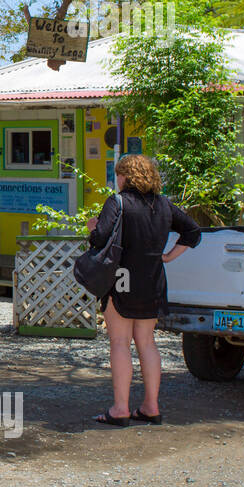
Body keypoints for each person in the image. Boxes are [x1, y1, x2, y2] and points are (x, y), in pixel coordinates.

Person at [88, 154, 201, 426]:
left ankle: (120, 409)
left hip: (122, 279)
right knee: (147, 342)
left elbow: (100, 237)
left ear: (126, 176)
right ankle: (151, 406)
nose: (117, 179)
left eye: (119, 174)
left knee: (119, 343)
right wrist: (169, 256)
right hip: (152, 279)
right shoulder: (163, 205)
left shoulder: (118, 202)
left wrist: (92, 228)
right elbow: (193, 231)